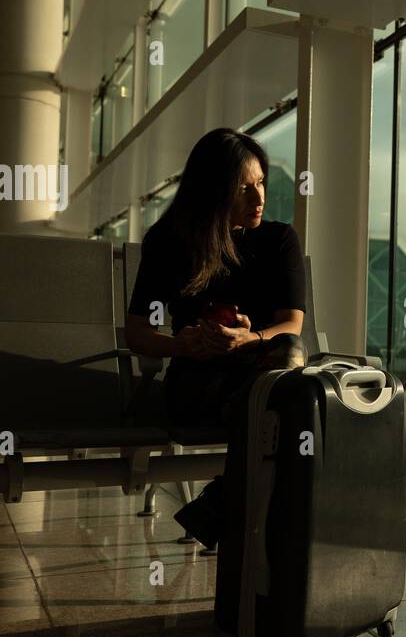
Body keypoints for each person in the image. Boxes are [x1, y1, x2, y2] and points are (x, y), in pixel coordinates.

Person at [124, 128, 306, 578]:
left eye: (261, 183)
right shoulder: (169, 243)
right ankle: (261, 565)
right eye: (244, 187)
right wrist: (180, 343)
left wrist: (250, 337)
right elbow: (138, 332)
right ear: (212, 190)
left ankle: (219, 509)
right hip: (199, 382)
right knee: (288, 412)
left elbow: (290, 323)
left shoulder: (278, 241)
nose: (258, 196)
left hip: (260, 375)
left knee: (287, 350)